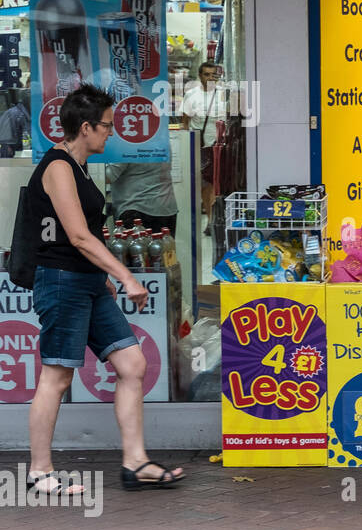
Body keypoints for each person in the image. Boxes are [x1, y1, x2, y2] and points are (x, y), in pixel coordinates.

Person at [25, 84, 185, 494]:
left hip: (88, 283)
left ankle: (135, 463)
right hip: (62, 281)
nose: (111, 133)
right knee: (57, 376)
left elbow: (86, 236)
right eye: (105, 126)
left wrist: (105, 280)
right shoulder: (58, 167)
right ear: (84, 128)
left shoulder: (80, 168)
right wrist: (126, 277)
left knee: (132, 366)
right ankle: (40, 472)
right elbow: (78, 237)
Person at [181, 60, 228, 223]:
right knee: (207, 186)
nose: (210, 78)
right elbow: (185, 122)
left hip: (223, 147)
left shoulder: (225, 93)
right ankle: (210, 220)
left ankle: (219, 219)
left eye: (213, 75)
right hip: (202, 148)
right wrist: (187, 147)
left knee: (221, 186)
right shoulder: (192, 95)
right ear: (200, 75)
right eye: (206, 74)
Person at [107, 160, 179, 235]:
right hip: (166, 208)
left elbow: (108, 176)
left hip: (138, 209)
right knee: (166, 245)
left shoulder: (123, 148)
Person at [0, 84, 28, 158]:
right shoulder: (15, 114)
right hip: (9, 148)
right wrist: (8, 146)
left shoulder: (20, 113)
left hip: (15, 148)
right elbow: (5, 136)